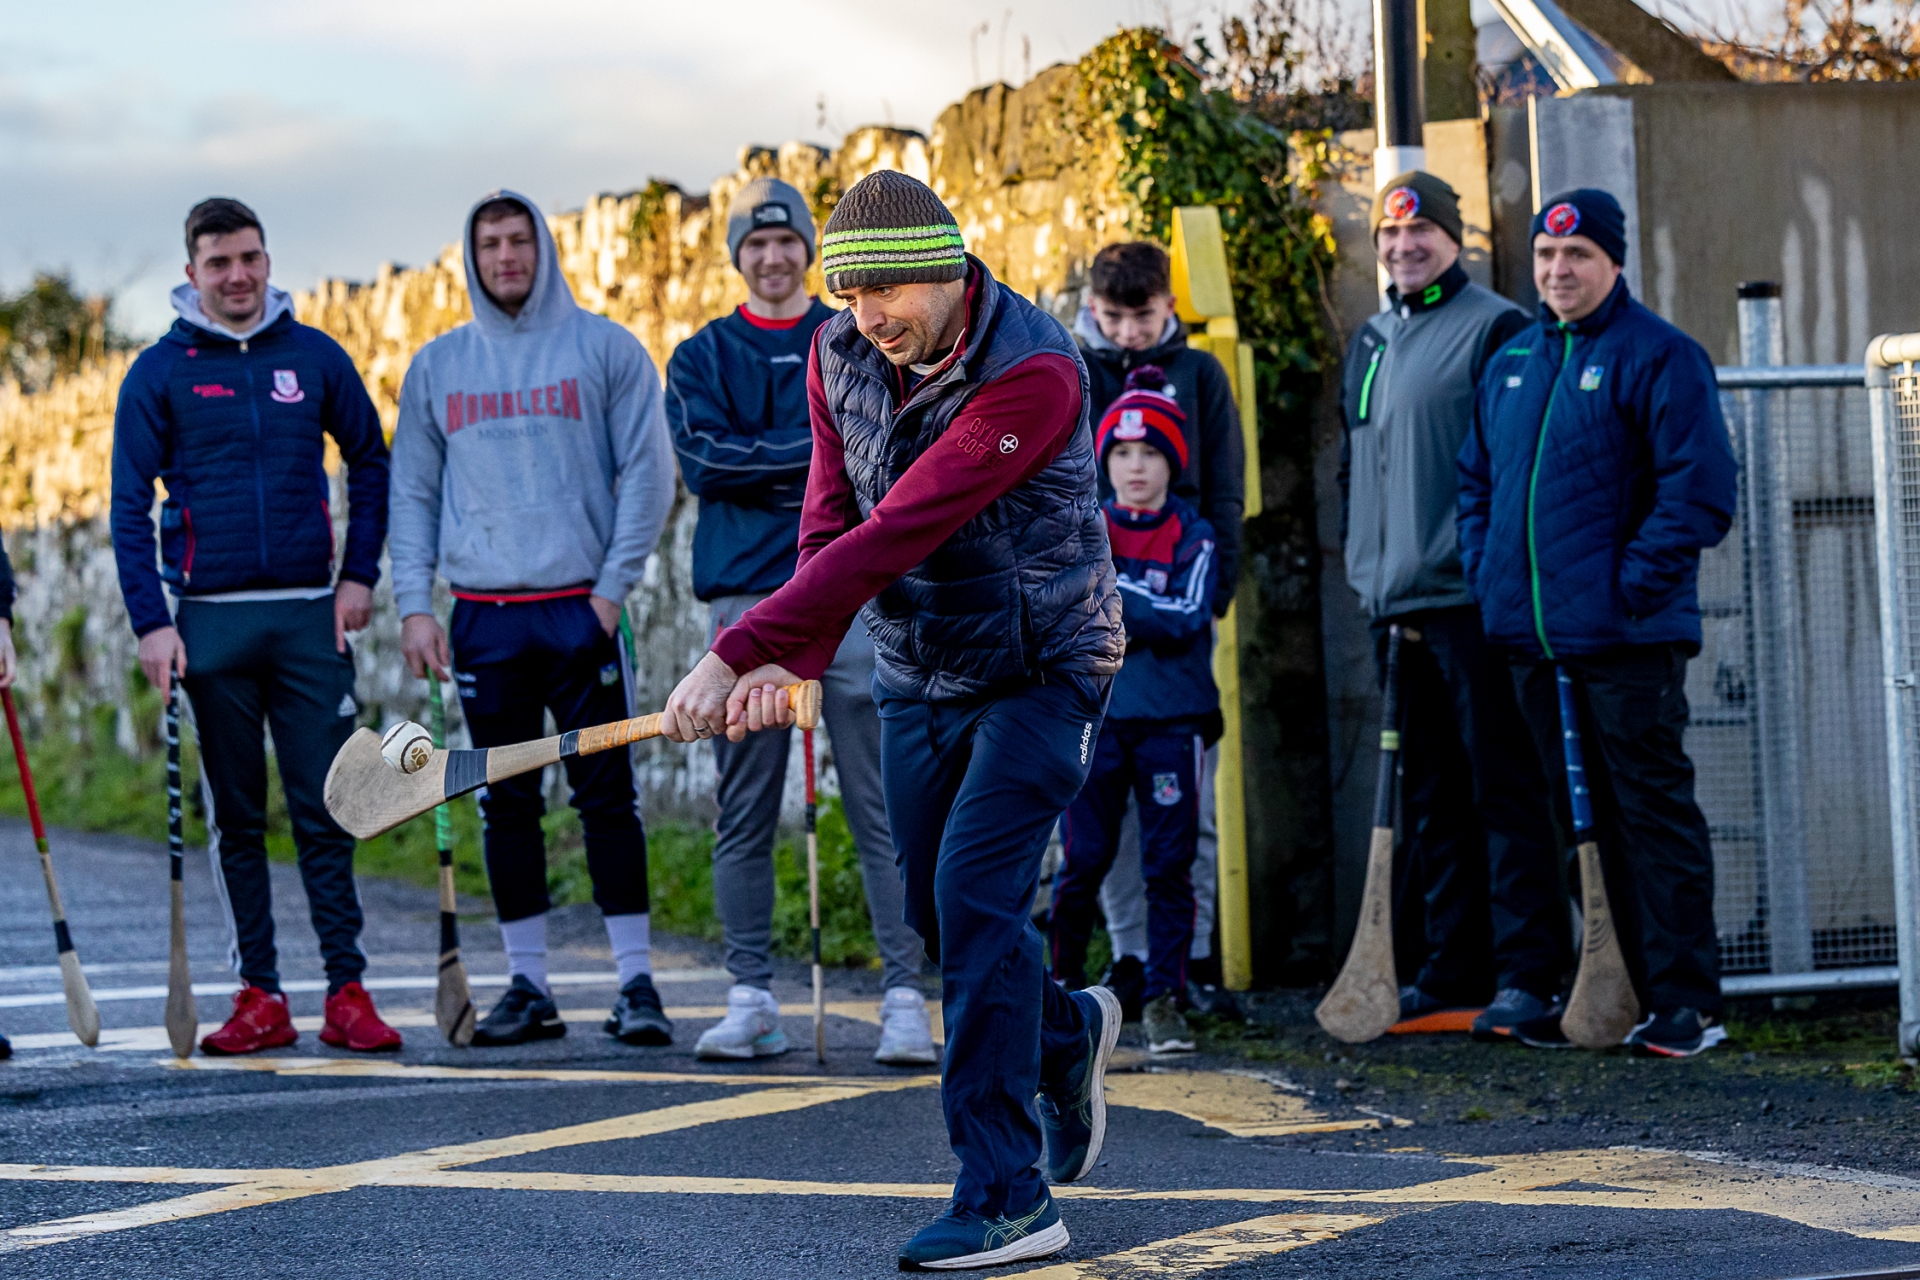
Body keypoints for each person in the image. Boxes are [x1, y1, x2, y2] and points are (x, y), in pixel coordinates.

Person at [661, 169, 1125, 1271]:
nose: (869, 318)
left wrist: (735, 647)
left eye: (888, 292)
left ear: (950, 268)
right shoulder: (839, 355)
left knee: (975, 898)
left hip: (1043, 664)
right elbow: (832, 522)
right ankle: (1064, 1032)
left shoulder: (1036, 372)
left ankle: (1010, 1193)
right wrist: (788, 654)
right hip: (921, 663)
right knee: (939, 908)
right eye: (850, 295)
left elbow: (904, 527)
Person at [389, 190, 678, 1049]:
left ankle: (636, 984)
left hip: (578, 611)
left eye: (519, 241)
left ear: (543, 248)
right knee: (503, 806)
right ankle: (529, 986)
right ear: (471, 258)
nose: (507, 256)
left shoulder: (606, 349)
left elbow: (651, 476)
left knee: (607, 798)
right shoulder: (439, 366)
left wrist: (612, 589)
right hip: (482, 618)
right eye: (490, 244)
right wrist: (414, 603)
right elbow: (412, 491)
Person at [111, 197, 399, 1055]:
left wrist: (358, 576)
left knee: (331, 805)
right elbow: (128, 510)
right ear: (192, 272)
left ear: (268, 262)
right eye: (218, 263)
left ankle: (347, 992)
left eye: (250, 259)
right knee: (237, 818)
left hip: (311, 618)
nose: (237, 276)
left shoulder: (312, 356)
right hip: (209, 627)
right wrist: (151, 624)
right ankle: (259, 996)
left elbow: (370, 461)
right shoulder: (159, 372)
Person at [1458, 187, 1737, 1058]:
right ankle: (1597, 992)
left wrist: (1623, 592)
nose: (1558, 271)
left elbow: (1700, 495)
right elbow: (1475, 487)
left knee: (1651, 815)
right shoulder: (1514, 361)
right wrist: (1487, 572)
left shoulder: (1660, 356)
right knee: (1561, 817)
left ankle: (1685, 1001)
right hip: (1530, 641)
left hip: (1627, 641)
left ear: (1613, 261)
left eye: (1576, 256)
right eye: (1545, 257)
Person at [666, 178, 933, 1065]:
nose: (773, 258)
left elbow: (879, 458)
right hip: (746, 594)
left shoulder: (850, 339)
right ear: (738, 254)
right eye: (756, 244)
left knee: (879, 798)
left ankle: (904, 995)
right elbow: (708, 464)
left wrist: (780, 461)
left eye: (787, 243)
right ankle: (750, 996)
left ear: (808, 255)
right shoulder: (703, 354)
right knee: (742, 805)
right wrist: (810, 456)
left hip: (850, 588)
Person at [1337, 171, 1569, 1039]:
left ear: (1453, 239)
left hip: (1468, 602)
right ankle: (1452, 969)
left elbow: (1510, 475)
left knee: (1501, 789)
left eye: (1421, 234)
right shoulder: (1368, 339)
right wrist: (1369, 571)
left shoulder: (1497, 329)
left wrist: (1487, 576)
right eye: (1390, 238)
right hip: (1390, 603)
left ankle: (1529, 974)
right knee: (1429, 794)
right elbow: (1353, 470)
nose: (1403, 248)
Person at [1071, 240, 1244, 1019]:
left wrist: (1213, 594)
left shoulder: (1202, 375)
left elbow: (1227, 492)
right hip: (1096, 635)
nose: (1129, 332)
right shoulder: (1073, 370)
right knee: (1100, 837)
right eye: (1113, 317)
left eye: (1142, 316)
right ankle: (1130, 956)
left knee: (1184, 826)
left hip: (1181, 586)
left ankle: (1190, 965)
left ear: (1168, 306)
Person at [1048, 368, 1217, 1056]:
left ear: (1171, 462)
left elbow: (1185, 617)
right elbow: (1062, 608)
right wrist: (1116, 599)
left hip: (1172, 725)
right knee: (1083, 858)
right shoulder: (1083, 528)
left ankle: (1165, 999)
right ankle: (1055, 993)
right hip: (1095, 720)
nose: (1136, 466)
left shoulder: (1194, 535)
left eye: (1150, 453)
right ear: (1104, 460)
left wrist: (1111, 595)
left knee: (1169, 864)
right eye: (1121, 453)